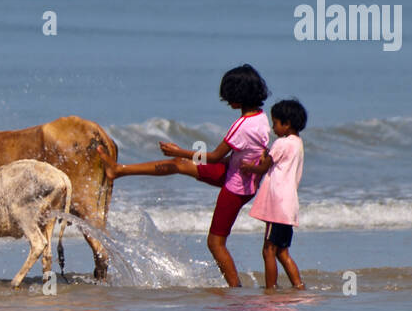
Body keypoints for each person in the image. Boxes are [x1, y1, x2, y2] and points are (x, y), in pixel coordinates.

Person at [104, 64, 271, 287]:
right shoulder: (261, 117)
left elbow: (212, 157)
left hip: (236, 186)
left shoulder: (241, 126)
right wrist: (181, 158)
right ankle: (118, 170)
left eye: (229, 96)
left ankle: (235, 289)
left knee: (215, 243)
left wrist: (179, 150)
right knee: (179, 165)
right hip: (237, 173)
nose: (227, 101)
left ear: (238, 96)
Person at [243, 99, 307, 290]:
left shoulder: (282, 143)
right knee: (282, 252)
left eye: (275, 123)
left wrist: (247, 167)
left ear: (286, 124)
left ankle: (270, 289)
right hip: (289, 205)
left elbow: (263, 167)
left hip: (277, 204)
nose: (273, 128)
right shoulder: (298, 144)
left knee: (268, 250)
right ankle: (298, 286)